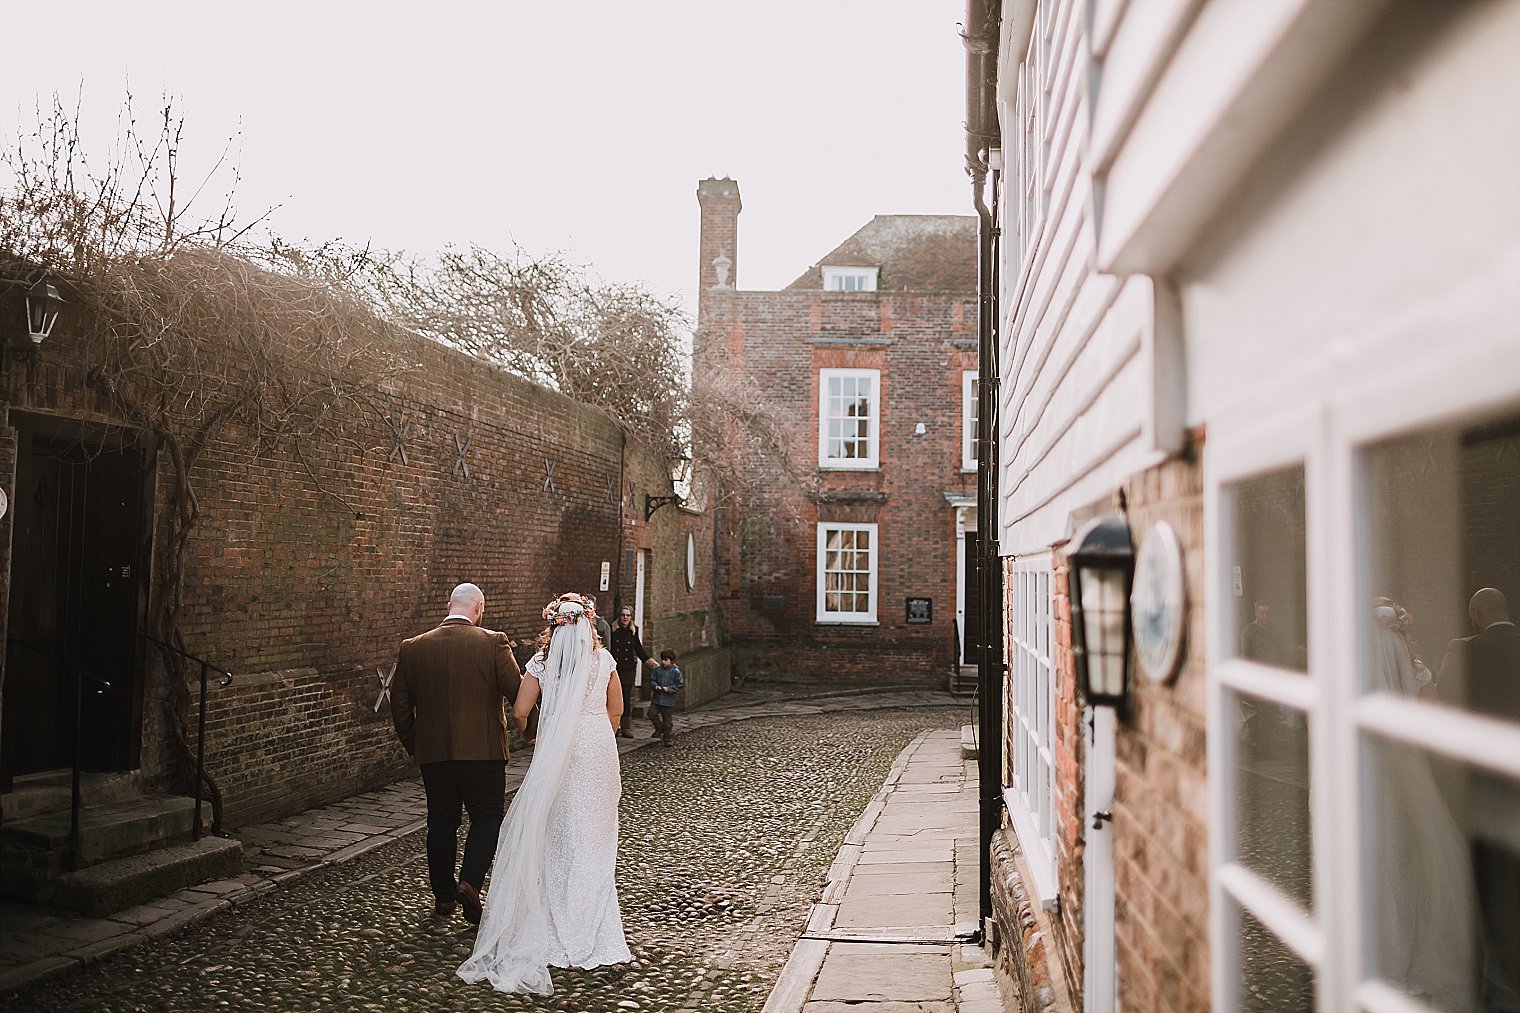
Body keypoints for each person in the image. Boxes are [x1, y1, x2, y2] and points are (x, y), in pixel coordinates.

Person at [457, 593, 632, 995]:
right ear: (589, 624)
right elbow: (617, 711)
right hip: (596, 750)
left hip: (558, 749)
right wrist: (592, 732)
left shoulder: (540, 663)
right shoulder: (604, 662)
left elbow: (520, 711)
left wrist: (537, 735)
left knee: (556, 832)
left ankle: (552, 922)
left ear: (554, 626)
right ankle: (593, 925)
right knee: (595, 836)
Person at [390, 583, 522, 924]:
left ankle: (443, 897)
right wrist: (536, 733)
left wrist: (417, 745)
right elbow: (518, 694)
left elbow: (400, 706)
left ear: (449, 605)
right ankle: (470, 882)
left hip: (434, 754)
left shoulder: (413, 648)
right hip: (484, 752)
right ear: (479, 608)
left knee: (441, 820)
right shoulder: (493, 642)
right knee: (487, 817)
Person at [608, 605, 654, 738]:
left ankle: (626, 726)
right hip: (615, 669)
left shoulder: (633, 630)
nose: (625, 618)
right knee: (612, 697)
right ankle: (614, 726)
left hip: (628, 669)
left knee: (626, 698)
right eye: (623, 615)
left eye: (628, 615)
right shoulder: (612, 629)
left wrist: (650, 663)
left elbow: (638, 649)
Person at [649, 649, 686, 747]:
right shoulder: (658, 670)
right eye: (662, 660)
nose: (663, 662)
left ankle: (667, 737)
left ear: (671, 661)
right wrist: (655, 686)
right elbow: (652, 680)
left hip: (668, 700)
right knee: (651, 713)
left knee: (667, 721)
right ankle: (659, 727)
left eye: (666, 660)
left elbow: (679, 684)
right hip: (657, 698)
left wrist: (669, 689)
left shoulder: (675, 672)